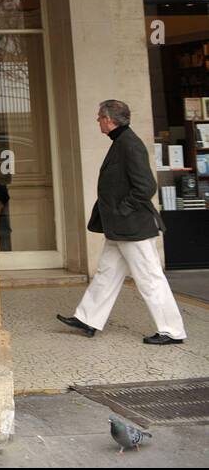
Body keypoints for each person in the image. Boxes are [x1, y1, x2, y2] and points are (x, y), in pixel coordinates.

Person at [58, 100, 187, 345]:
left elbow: (146, 186)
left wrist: (122, 210)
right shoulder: (121, 142)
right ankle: (87, 319)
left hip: (132, 227)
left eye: (99, 117)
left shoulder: (130, 144)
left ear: (109, 120)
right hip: (121, 227)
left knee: (150, 278)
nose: (97, 121)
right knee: (106, 273)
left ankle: (172, 331)